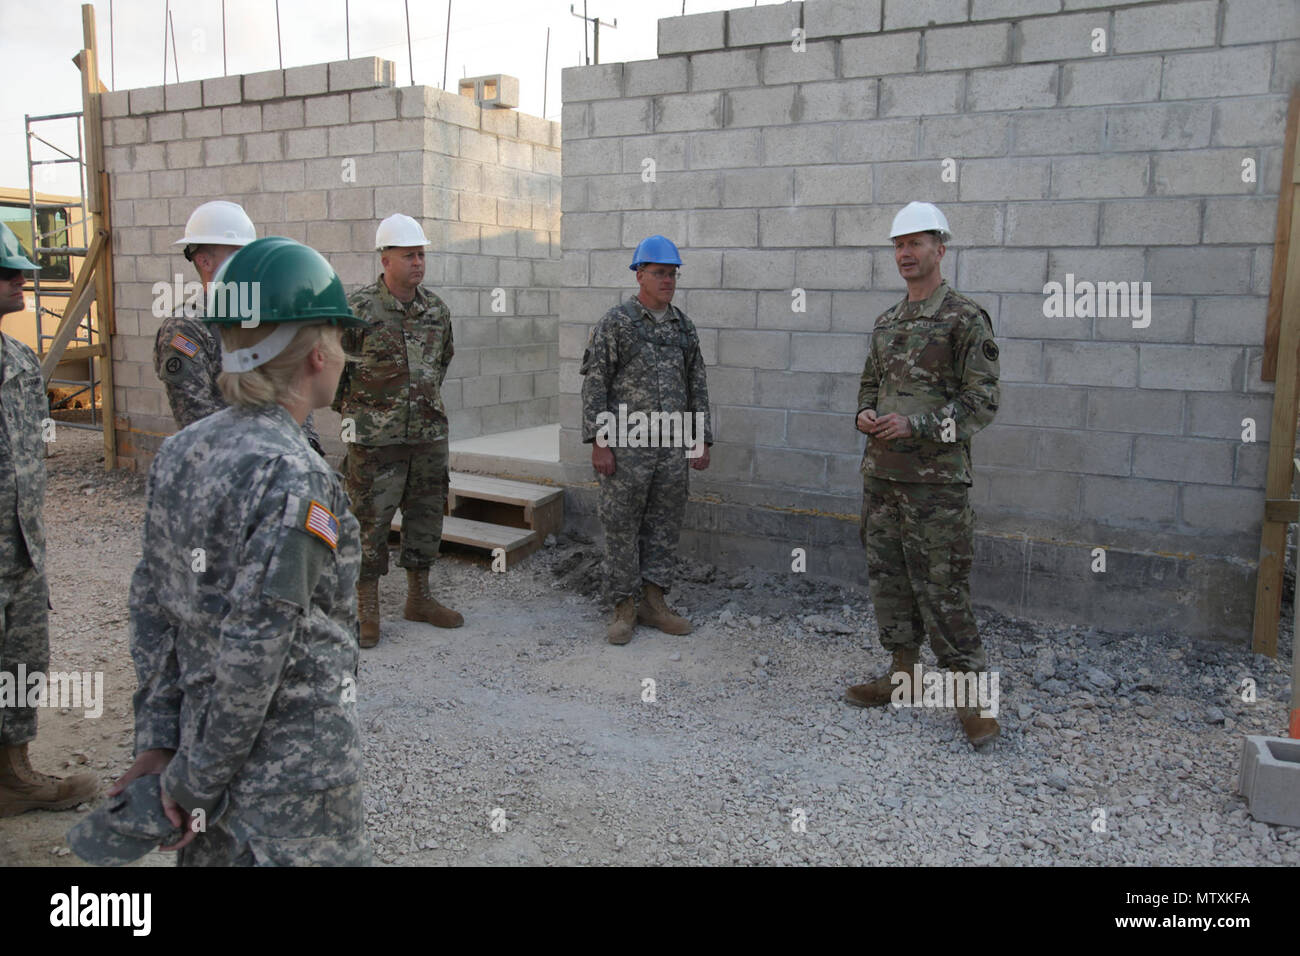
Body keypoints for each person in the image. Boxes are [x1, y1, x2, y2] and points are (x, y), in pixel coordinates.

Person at [112, 237, 370, 864]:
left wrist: (161, 741)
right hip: (287, 787)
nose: (342, 355)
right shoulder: (296, 477)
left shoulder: (180, 453)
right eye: (339, 339)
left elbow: (153, 607)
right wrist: (194, 781)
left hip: (205, 749)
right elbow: (259, 647)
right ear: (316, 353)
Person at [844, 202, 1002, 747]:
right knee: (889, 582)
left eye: (915, 243)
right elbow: (868, 386)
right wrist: (864, 414)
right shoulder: (887, 322)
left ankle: (973, 701)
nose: (905, 254)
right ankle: (902, 674)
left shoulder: (964, 318)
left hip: (935, 485)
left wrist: (916, 425)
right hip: (881, 479)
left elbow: (982, 404)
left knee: (943, 588)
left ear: (940, 247)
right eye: (897, 245)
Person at [0, 221, 98, 815]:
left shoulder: (17, 356)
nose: (22, 283)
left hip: (20, 551)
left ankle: (13, 776)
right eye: (7, 274)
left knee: (21, 661)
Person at [335, 213, 462, 648]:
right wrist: (364, 415)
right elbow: (337, 372)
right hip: (375, 441)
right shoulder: (357, 310)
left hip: (427, 434)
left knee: (426, 517)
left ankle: (419, 598)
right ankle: (366, 607)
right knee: (369, 522)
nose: (418, 263)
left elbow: (441, 362)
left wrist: (416, 403)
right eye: (409, 255)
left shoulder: (436, 310)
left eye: (421, 254)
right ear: (385, 259)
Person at [580, 235, 712, 645]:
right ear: (640, 275)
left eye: (672, 273)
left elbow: (697, 384)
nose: (667, 280)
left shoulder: (682, 327)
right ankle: (623, 606)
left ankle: (654, 602)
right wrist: (600, 441)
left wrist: (700, 437)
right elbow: (596, 384)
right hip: (626, 446)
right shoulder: (616, 324)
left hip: (671, 447)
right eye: (659, 273)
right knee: (621, 524)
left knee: (664, 524)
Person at [155, 200, 323, 453]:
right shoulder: (186, 328)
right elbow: (195, 417)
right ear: (204, 261)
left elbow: (294, 389)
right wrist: (262, 458)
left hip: (283, 464)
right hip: (230, 472)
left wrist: (306, 448)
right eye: (237, 255)